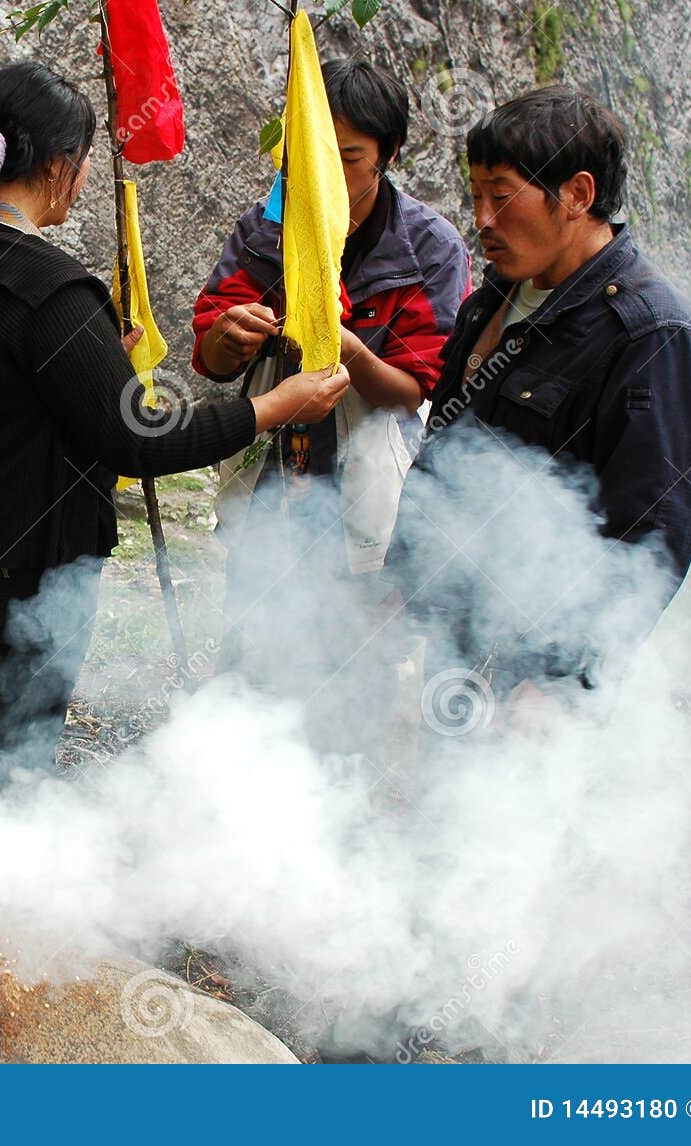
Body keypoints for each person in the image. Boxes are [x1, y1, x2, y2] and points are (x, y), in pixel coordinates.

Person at [0, 60, 350, 777]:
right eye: (81, 165)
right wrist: (268, 408)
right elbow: (140, 438)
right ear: (57, 166)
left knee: (2, 695)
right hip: (37, 546)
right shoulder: (51, 293)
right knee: (22, 727)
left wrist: (92, 363)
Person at [389, 86, 691, 697]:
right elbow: (443, 460)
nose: (483, 220)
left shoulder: (654, 335)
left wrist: (567, 680)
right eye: (476, 197)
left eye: (502, 196)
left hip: (541, 673)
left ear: (578, 194)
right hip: (456, 646)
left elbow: (652, 533)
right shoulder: (490, 302)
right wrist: (400, 588)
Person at [192, 58, 469, 690]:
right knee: (252, 649)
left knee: (353, 672)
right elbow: (210, 359)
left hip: (366, 491)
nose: (322, 177)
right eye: (306, 157)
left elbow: (415, 390)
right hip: (268, 478)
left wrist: (350, 352)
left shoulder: (430, 248)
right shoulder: (266, 228)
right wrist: (228, 339)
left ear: (388, 155)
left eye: (348, 157)